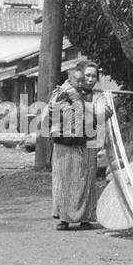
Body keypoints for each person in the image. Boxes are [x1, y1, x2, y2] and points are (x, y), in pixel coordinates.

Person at [48, 61, 112, 231]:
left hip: (88, 141)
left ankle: (85, 218)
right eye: (86, 76)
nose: (90, 80)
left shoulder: (99, 96)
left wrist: (81, 107)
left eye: (93, 76)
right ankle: (64, 218)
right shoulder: (63, 91)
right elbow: (54, 109)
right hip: (64, 141)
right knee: (64, 179)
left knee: (86, 179)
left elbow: (104, 112)